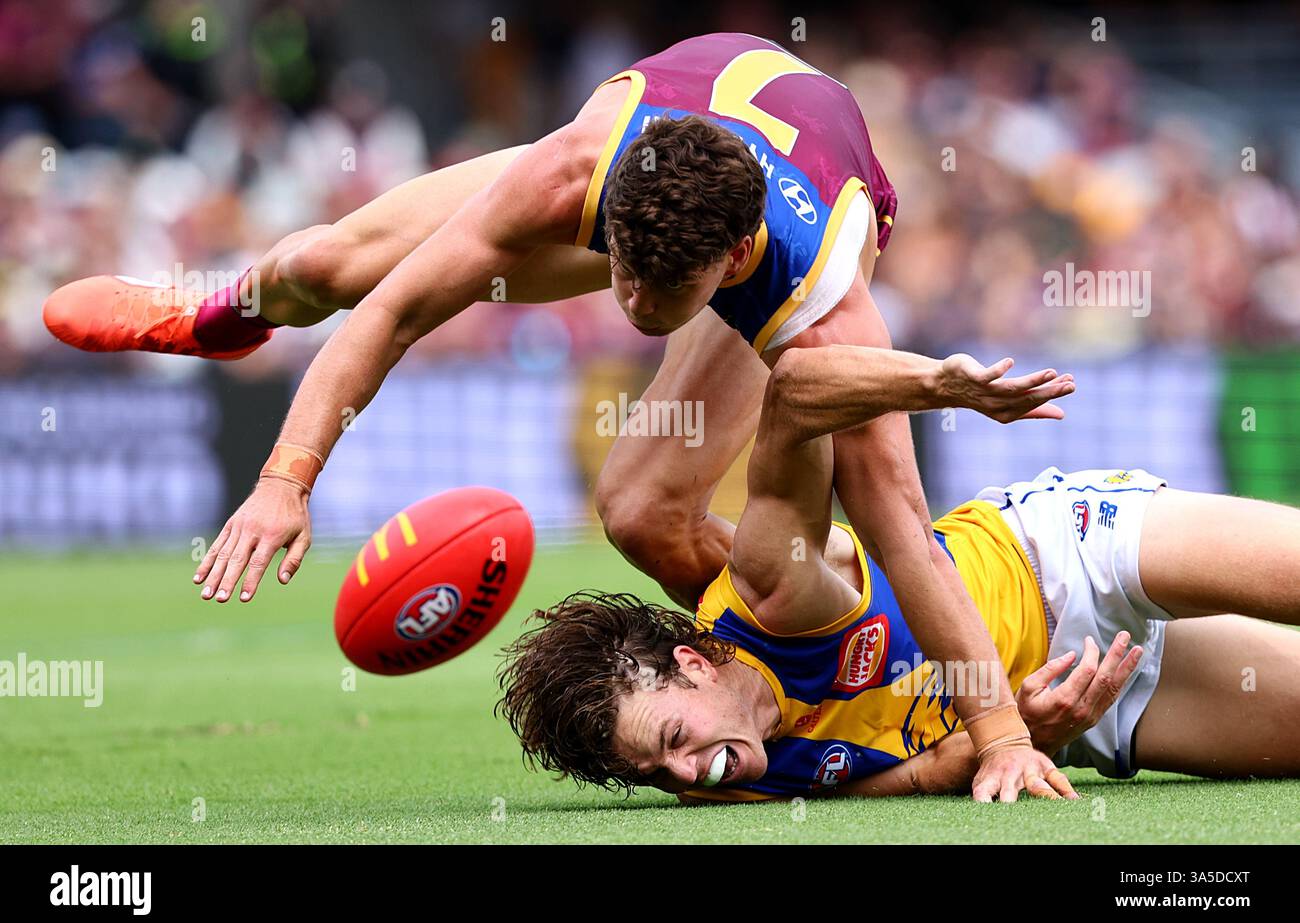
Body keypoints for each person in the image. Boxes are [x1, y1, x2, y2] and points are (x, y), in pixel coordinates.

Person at [43, 33, 1075, 799]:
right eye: (618, 276)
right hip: (659, 146)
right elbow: (398, 311)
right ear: (608, 228)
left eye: (657, 301)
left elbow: (899, 517)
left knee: (637, 509)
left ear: (731, 266)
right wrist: (284, 479)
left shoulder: (818, 302)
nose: (626, 311)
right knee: (332, 266)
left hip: (801, 197)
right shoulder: (575, 177)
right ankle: (224, 310)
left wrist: (996, 730)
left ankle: (804, 647)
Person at [496, 345, 1300, 802]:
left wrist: (940, 384)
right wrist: (1018, 730)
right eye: (653, 772)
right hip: (1085, 705)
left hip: (1061, 558)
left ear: (694, 661)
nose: (683, 772)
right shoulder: (725, 779)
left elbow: (796, 390)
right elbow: (916, 775)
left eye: (673, 739)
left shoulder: (774, 589)